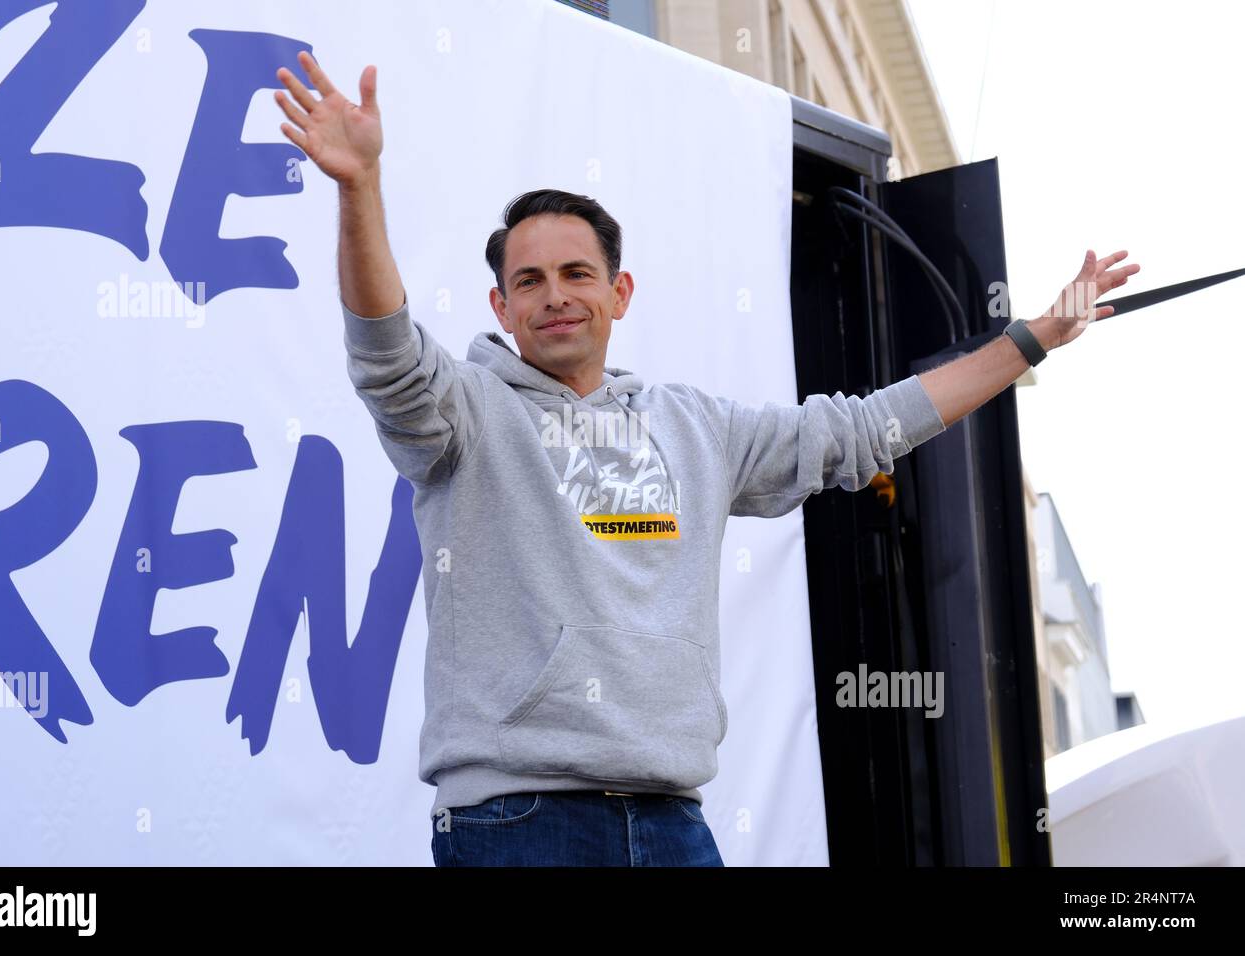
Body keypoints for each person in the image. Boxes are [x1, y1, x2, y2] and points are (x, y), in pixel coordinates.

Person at [274, 51, 1139, 867]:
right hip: (515, 820)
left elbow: (865, 429)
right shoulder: (465, 412)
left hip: (674, 821)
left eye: (577, 273)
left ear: (620, 293)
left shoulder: (696, 427)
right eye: (529, 282)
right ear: (502, 306)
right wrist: (361, 189)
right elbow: (386, 354)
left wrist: (1033, 338)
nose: (555, 296)